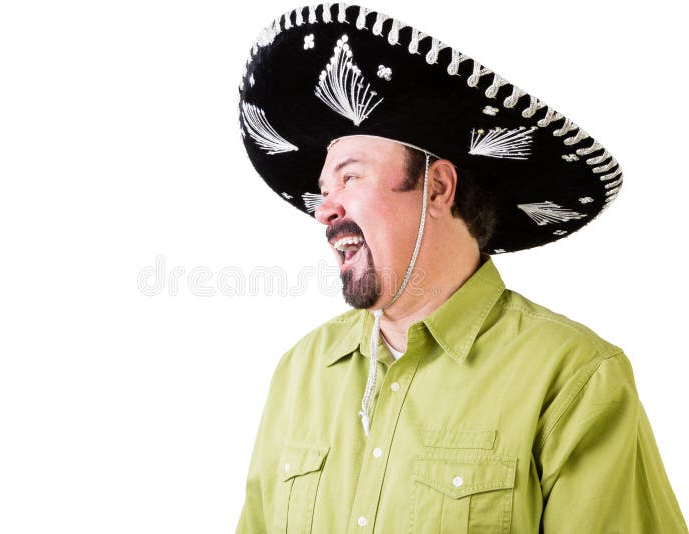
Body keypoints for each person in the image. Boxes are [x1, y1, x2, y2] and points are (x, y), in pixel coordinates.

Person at [235, 4, 687, 532]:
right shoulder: (301, 373)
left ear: (438, 188)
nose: (324, 209)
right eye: (325, 188)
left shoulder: (572, 377)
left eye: (350, 177)